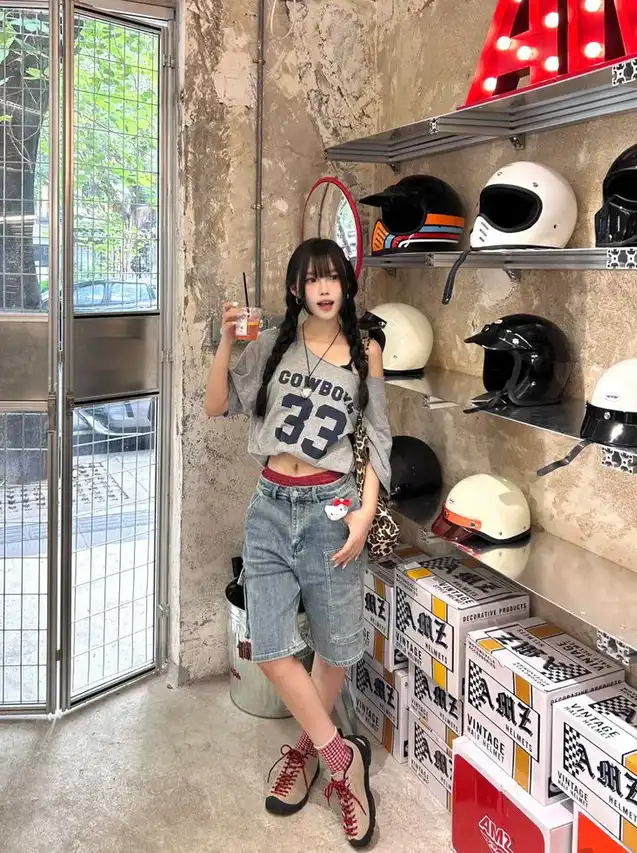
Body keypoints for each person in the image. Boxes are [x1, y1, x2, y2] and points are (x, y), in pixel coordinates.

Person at [204, 238, 392, 848]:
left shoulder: (366, 350)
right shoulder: (272, 344)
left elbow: (379, 438)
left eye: (333, 277)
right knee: (270, 647)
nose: (324, 288)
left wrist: (364, 515)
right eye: (312, 279)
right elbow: (215, 405)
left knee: (336, 646)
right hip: (269, 506)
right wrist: (227, 342)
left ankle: (307, 753)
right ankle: (342, 758)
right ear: (296, 289)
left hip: (332, 507)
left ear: (347, 284)